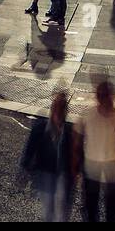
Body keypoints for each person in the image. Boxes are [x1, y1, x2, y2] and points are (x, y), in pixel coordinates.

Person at [74, 78, 115, 222]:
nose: (104, 100)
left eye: (106, 96)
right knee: (93, 208)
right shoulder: (88, 115)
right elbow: (75, 141)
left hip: (107, 166)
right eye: (102, 96)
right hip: (96, 166)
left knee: (109, 210)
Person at [22, 90, 74, 222]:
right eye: (56, 108)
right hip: (45, 174)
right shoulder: (40, 127)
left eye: (61, 109)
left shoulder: (70, 131)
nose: (58, 113)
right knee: (49, 210)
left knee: (62, 212)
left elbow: (77, 155)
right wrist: (24, 168)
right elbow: (30, 148)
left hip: (62, 176)